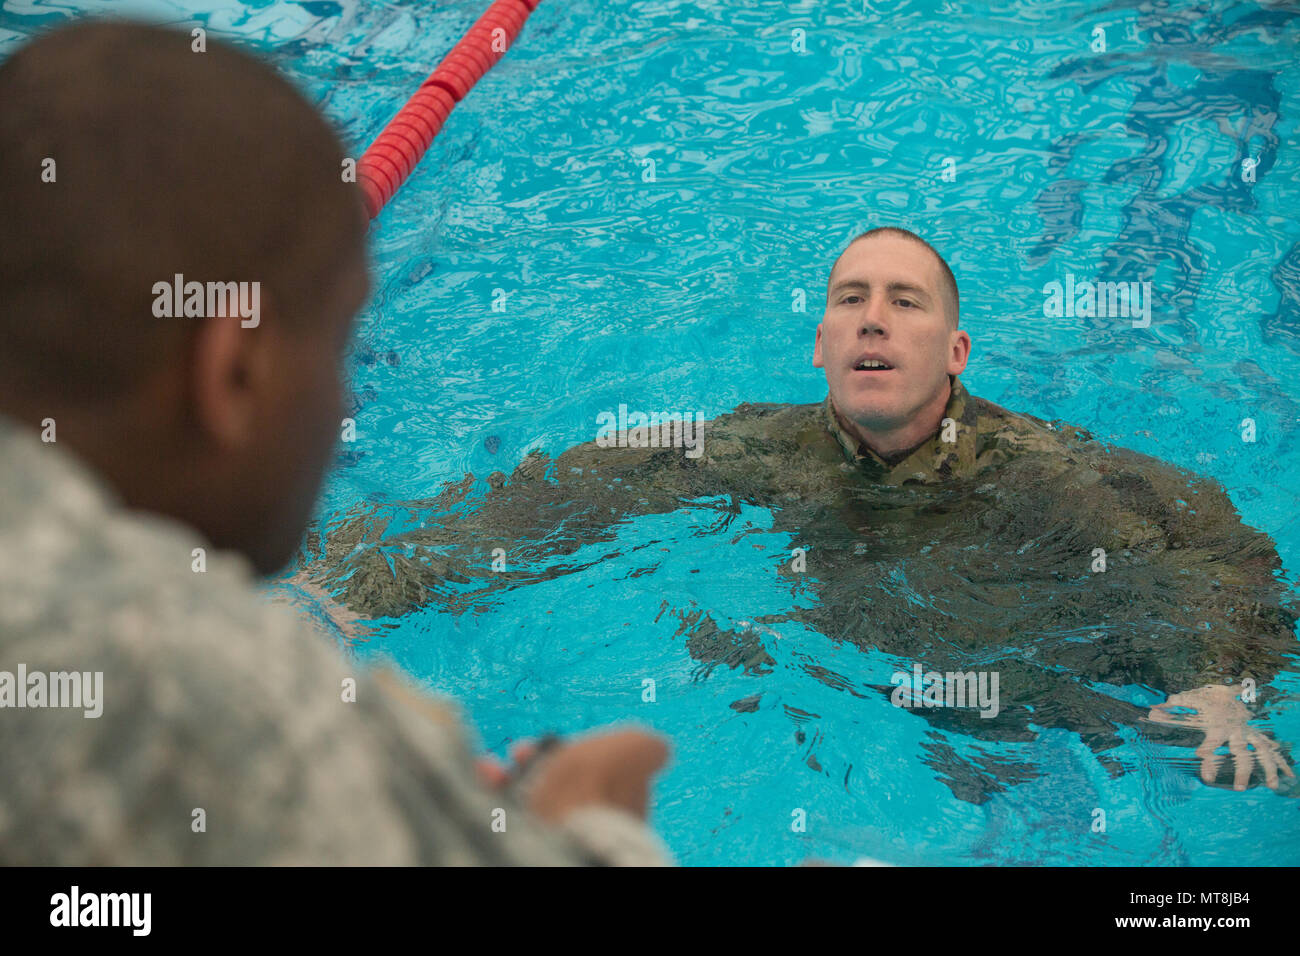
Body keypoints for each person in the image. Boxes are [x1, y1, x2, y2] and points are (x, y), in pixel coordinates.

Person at [0, 19, 671, 865]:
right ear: (233, 373)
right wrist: (589, 824)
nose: (347, 394)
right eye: (338, 341)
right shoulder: (212, 693)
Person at [307, 228, 1297, 799]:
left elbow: (1197, 552)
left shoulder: (1042, 469)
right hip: (872, 684)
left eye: (905, 302)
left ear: (956, 353)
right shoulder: (765, 446)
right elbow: (575, 488)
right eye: (851, 299)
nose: (873, 316)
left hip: (1055, 686)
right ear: (819, 345)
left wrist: (1216, 682)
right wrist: (365, 578)